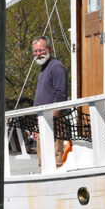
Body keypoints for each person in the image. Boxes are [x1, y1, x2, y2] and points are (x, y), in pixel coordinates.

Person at [32, 35, 69, 167]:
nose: (38, 54)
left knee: (54, 160)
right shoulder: (43, 69)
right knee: (43, 162)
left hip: (54, 121)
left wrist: (52, 120)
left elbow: (61, 95)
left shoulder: (56, 67)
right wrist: (37, 125)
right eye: (35, 51)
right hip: (42, 121)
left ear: (49, 49)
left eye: (41, 50)